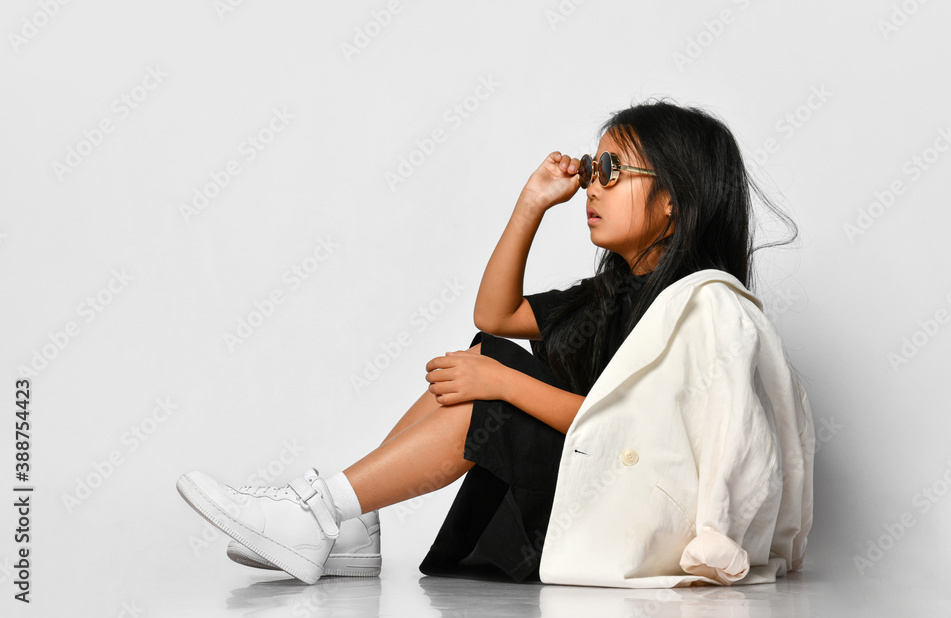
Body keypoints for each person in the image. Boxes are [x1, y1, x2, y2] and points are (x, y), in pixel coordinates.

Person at [175, 98, 799, 586]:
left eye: (612, 170)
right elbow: (495, 313)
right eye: (591, 170)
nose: (592, 187)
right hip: (594, 480)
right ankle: (352, 522)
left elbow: (642, 433)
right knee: (485, 356)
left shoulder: (701, 306)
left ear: (673, 202)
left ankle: (321, 512)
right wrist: (532, 202)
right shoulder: (610, 296)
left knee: (493, 387)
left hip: (633, 508)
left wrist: (503, 385)